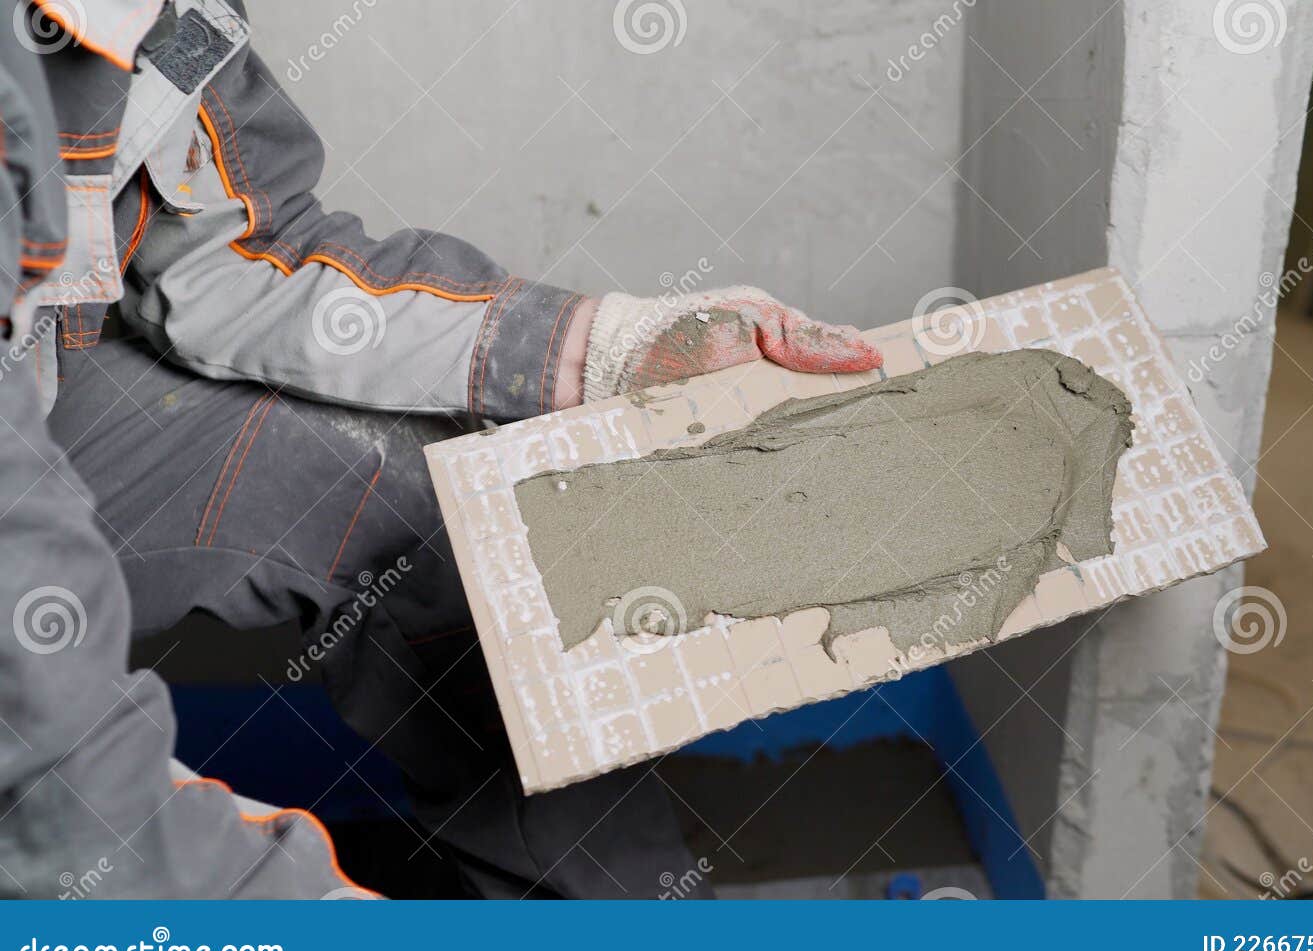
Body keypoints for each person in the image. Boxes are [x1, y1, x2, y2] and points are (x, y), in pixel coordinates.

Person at [0, 0, 881, 898]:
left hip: (39, 393)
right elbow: (45, 764)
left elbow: (236, 252)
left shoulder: (139, 14)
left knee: (434, 503)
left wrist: (608, 349)